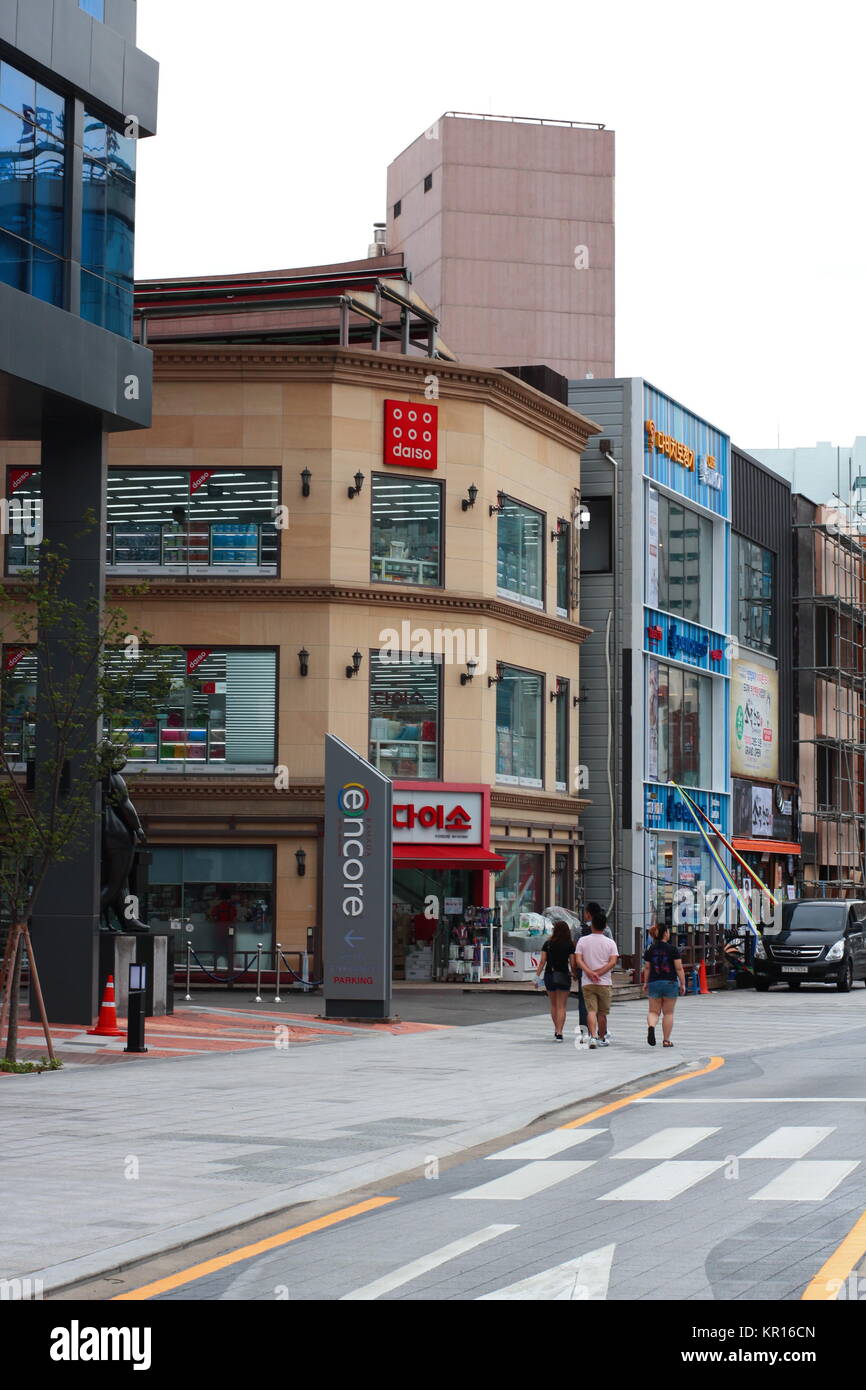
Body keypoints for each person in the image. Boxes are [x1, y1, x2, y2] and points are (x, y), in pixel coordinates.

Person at [575, 909, 619, 1048]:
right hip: (604, 982)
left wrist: (589, 972)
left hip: (587, 982)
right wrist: (599, 973)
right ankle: (601, 1037)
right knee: (602, 1013)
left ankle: (592, 1037)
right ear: (605, 926)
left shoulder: (582, 940)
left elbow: (578, 959)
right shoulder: (610, 943)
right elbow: (612, 962)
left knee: (591, 1011)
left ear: (591, 925)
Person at [642, 922, 686, 1046]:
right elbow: (679, 968)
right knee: (668, 1013)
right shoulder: (672, 949)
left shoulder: (650, 949)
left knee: (653, 1012)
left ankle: (651, 1026)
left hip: (654, 982)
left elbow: (647, 968)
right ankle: (666, 1040)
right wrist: (682, 983)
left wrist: (645, 983)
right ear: (665, 933)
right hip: (670, 983)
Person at [535, 919, 576, 1041]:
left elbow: (542, 962)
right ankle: (560, 1032)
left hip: (549, 975)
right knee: (562, 1006)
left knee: (553, 1005)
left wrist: (536, 977)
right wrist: (574, 974)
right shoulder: (569, 944)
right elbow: (573, 963)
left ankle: (556, 1029)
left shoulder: (547, 944)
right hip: (563, 975)